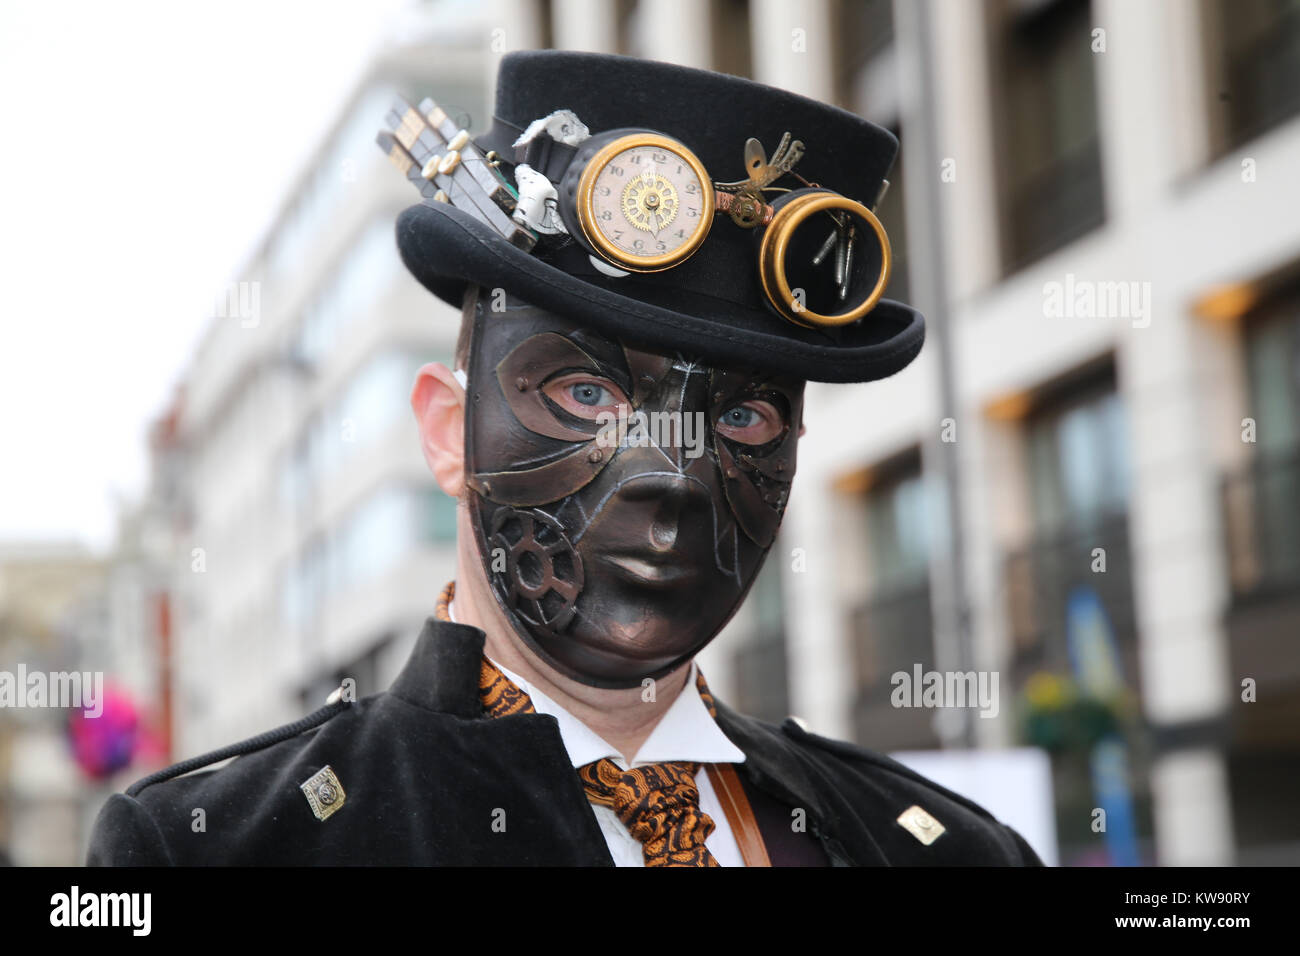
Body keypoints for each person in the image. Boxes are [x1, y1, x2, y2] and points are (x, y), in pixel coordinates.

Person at [87, 50, 1043, 866]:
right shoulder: (225, 848)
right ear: (443, 433)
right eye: (588, 396)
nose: (673, 475)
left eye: (744, 419)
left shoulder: (938, 849)